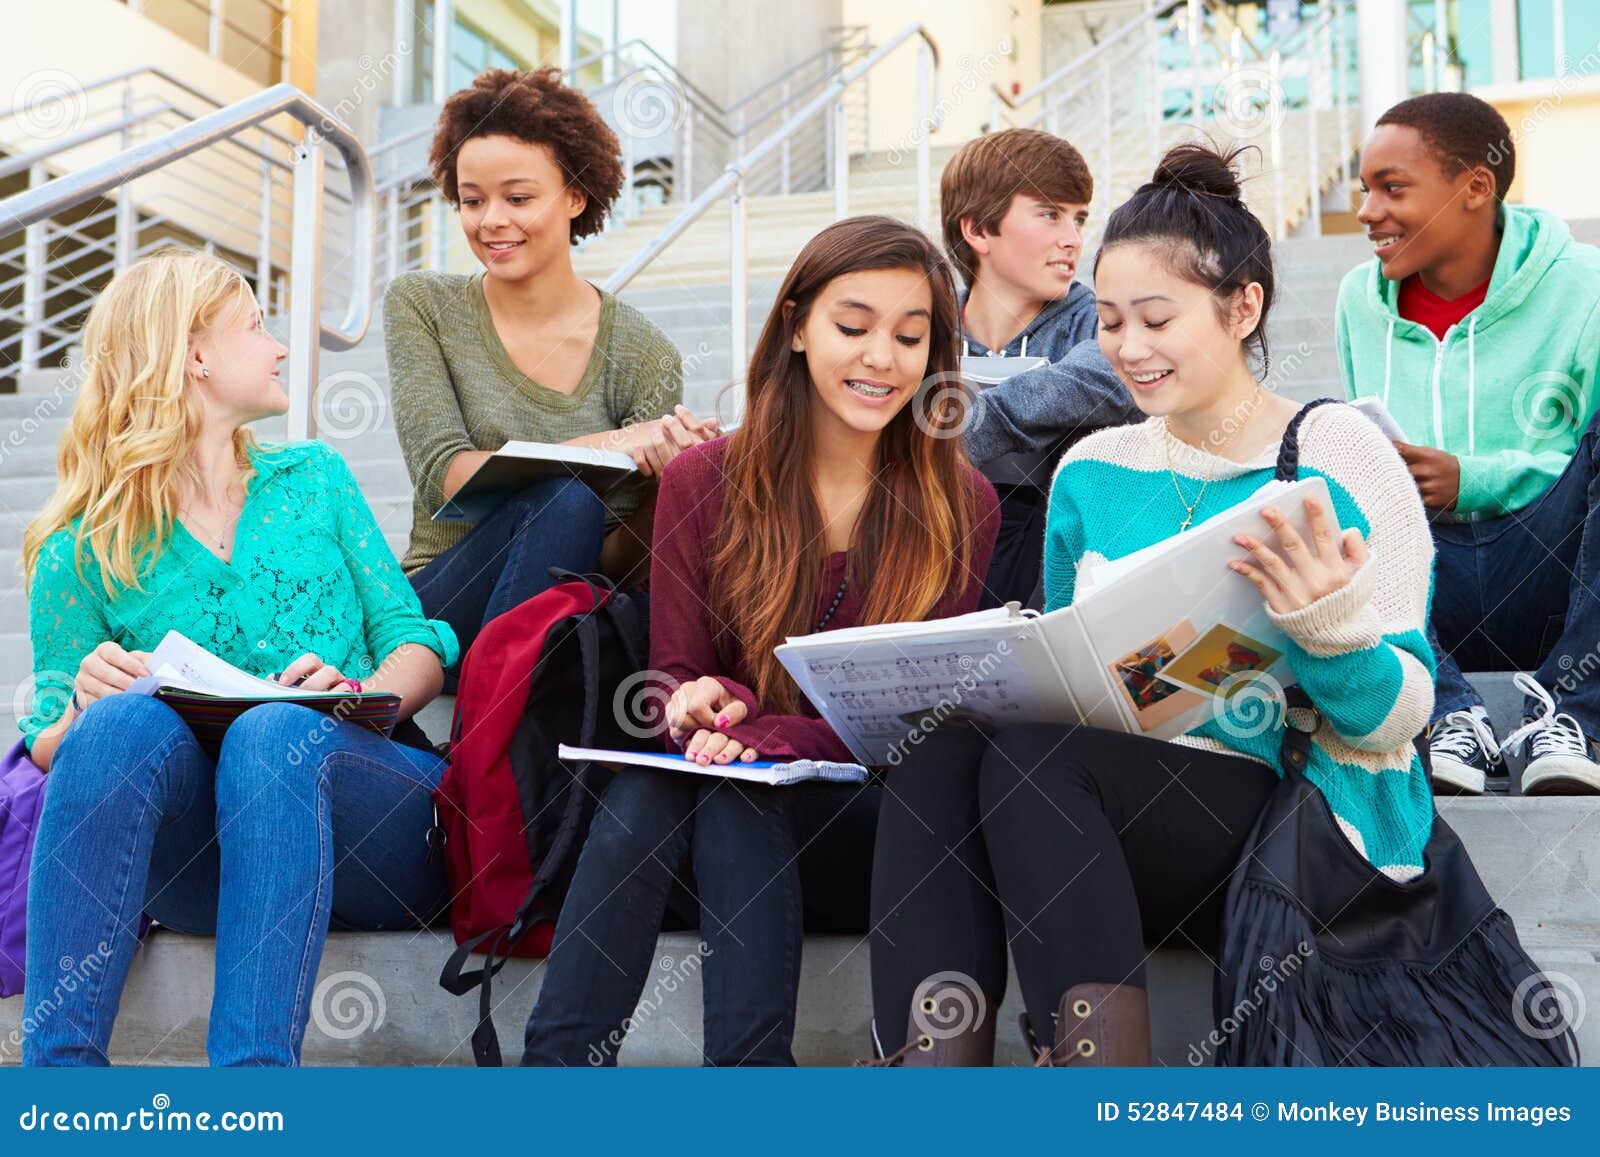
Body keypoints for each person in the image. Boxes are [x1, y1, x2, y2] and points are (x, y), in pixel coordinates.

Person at [867, 145, 1436, 1066]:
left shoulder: (1338, 452)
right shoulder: (1093, 469)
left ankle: (1098, 1099)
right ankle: (930, 1091)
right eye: (1113, 321)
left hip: (1289, 808)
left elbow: (1399, 718)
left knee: (1038, 763)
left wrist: (1326, 631)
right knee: (941, 750)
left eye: (1157, 319)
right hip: (1103, 808)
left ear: (1242, 306)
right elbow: (1075, 671)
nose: (1128, 348)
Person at [522, 215, 1001, 1066]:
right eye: (852, 327)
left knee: (727, 783)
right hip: (711, 826)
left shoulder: (962, 505)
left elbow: (914, 729)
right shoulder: (701, 480)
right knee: (672, 784)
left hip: (868, 830)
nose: (881, 358)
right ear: (796, 328)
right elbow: (674, 668)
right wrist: (691, 699)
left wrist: (767, 734)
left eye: (910, 336)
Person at [19, 249, 459, 1066]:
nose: (280, 346)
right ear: (195, 354)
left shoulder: (316, 478)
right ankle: (61, 1084)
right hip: (204, 861)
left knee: (270, 737)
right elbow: (50, 738)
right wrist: (84, 701)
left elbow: (419, 641)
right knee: (115, 726)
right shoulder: (79, 547)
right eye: (257, 326)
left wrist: (359, 690)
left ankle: (252, 1091)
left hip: (372, 817)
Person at [387, 66, 719, 672]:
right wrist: (615, 443)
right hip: (438, 607)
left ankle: (494, 738)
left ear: (575, 195)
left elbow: (617, 560)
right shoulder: (422, 306)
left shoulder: (644, 354)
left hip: (557, 614)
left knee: (573, 511)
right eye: (471, 200)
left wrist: (669, 483)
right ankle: (485, 740)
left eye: (518, 198)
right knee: (563, 499)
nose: (491, 220)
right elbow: (446, 478)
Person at [1336, 91, 1600, 796]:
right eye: (1365, 190)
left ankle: (1575, 713)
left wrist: (1470, 477)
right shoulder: (1358, 301)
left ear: (1475, 187)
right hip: (1423, 585)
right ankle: (1451, 712)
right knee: (1323, 447)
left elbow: (1585, 459)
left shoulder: (1584, 284)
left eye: (1393, 188)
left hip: (1551, 573)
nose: (1367, 212)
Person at [940, 128, 1143, 605]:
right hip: (933, 559)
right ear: (977, 230)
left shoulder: (1100, 321)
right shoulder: (923, 327)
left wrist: (935, 439)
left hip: (1054, 577)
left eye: (1078, 219)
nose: (1072, 239)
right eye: (1050, 215)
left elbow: (1098, 379)